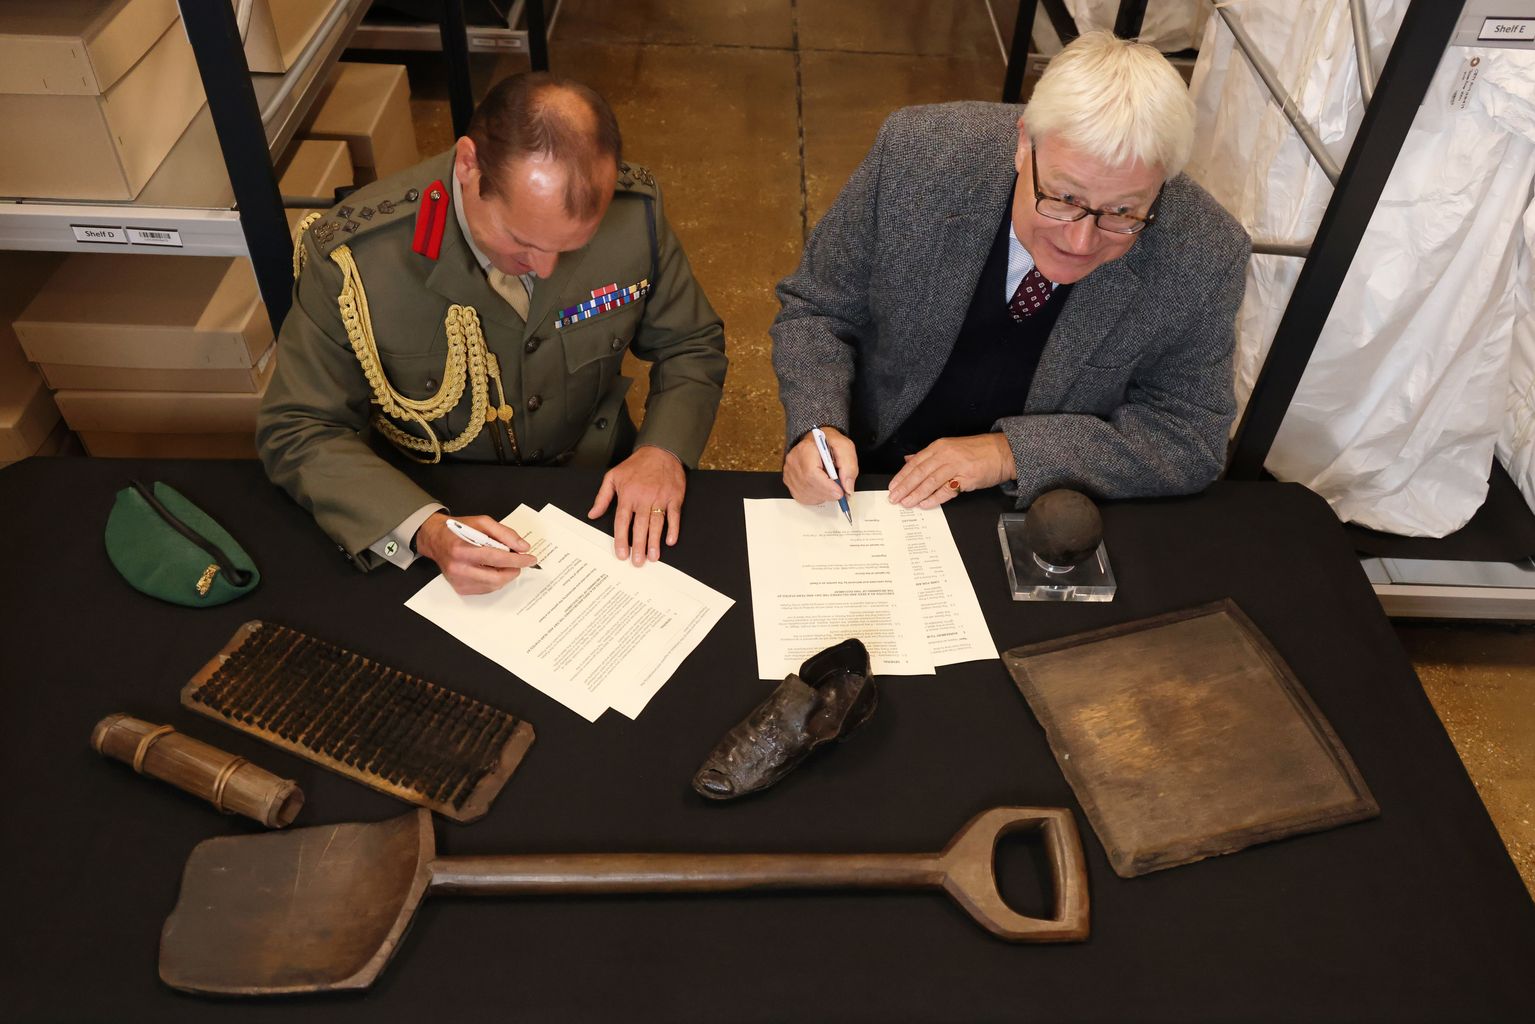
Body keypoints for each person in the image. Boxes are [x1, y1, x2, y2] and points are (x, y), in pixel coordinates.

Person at [258, 73, 727, 594]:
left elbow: (690, 344)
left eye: (570, 248)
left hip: (598, 492)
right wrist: (425, 529)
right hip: (432, 504)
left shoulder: (636, 211)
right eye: (522, 242)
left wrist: (661, 450)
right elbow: (299, 427)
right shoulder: (355, 258)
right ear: (468, 165)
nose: (546, 271)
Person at [771, 31, 1250, 512]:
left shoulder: (1205, 251)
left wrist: (1010, 454)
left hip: (1043, 502)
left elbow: (1189, 435)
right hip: (869, 474)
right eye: (1064, 198)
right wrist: (819, 423)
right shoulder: (916, 156)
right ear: (1024, 143)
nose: (1080, 242)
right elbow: (819, 311)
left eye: (1123, 213)